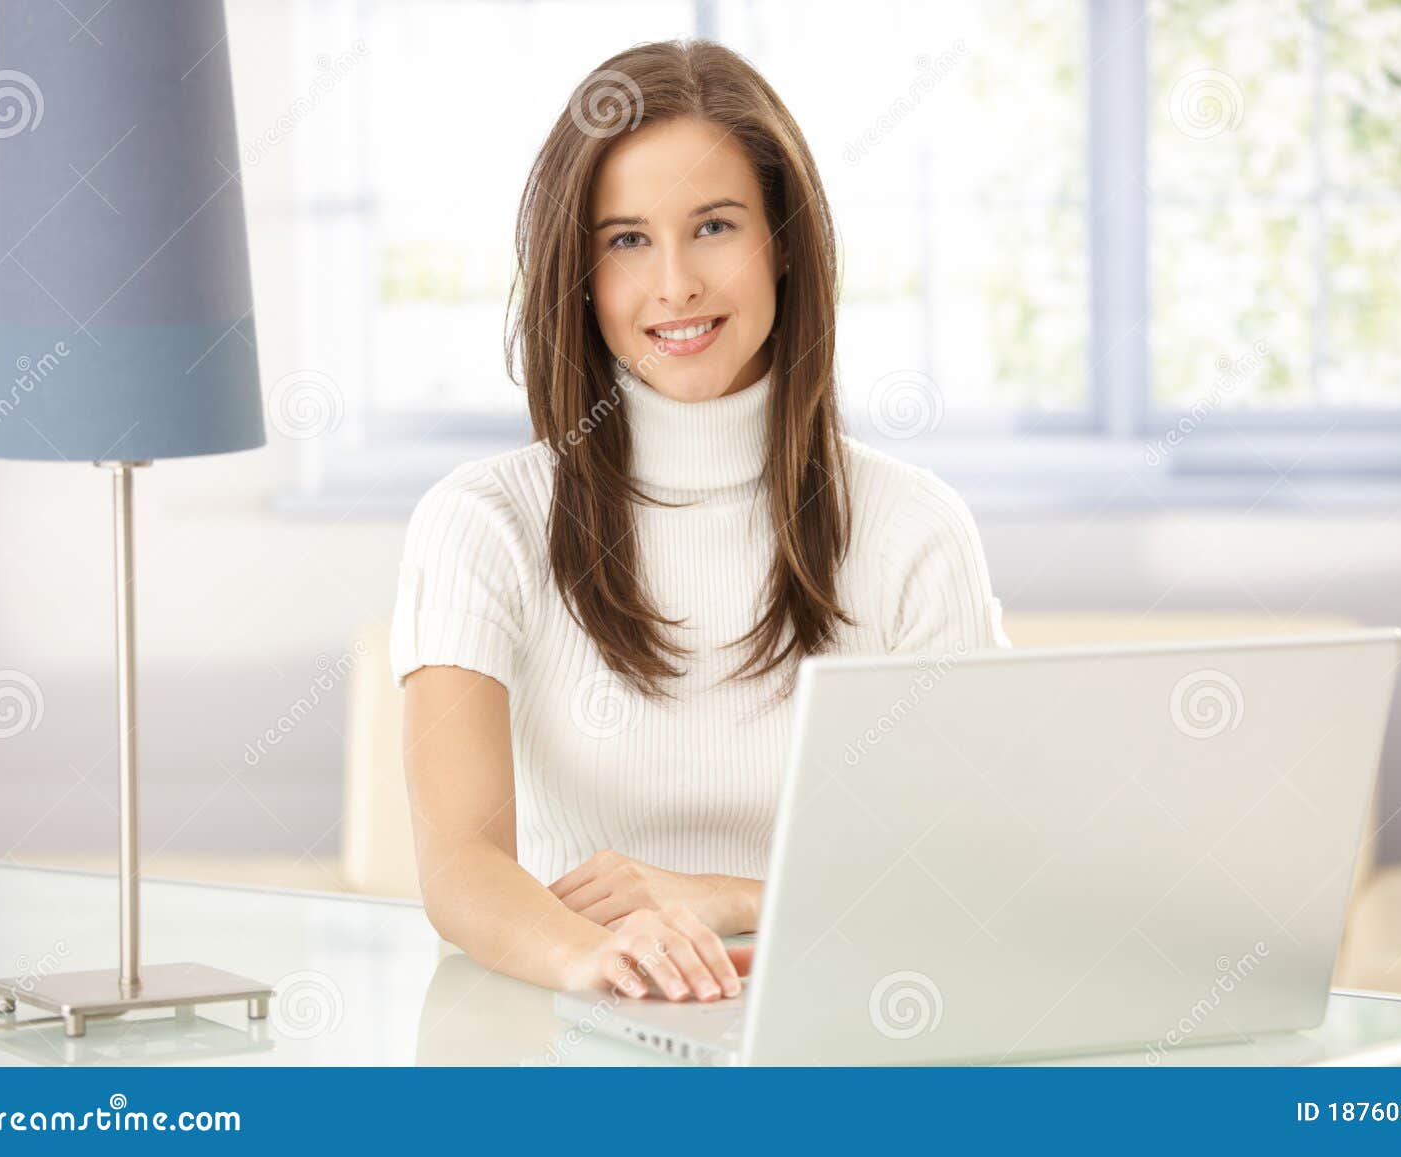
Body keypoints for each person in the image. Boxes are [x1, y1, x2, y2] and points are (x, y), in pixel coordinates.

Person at [391, 38, 1009, 1005]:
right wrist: (598, 959)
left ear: (787, 242)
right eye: (626, 239)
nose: (674, 283)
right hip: (584, 1038)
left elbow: (976, 875)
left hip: (853, 1032)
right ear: (580, 274)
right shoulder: (482, 523)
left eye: (714, 226)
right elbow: (461, 862)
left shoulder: (914, 528)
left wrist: (723, 897)